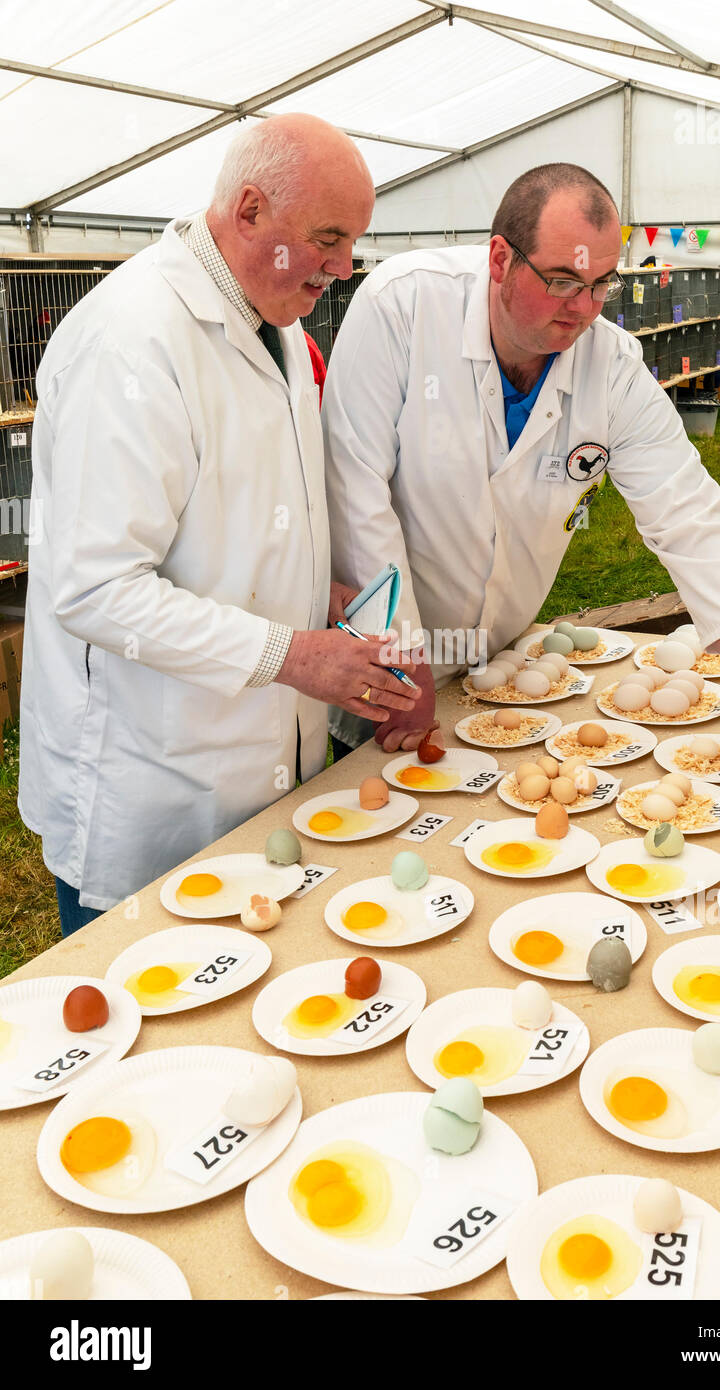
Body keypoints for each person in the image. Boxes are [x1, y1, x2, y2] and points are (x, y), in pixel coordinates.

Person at [323, 164, 720, 816]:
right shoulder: (402, 307)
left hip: (497, 657)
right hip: (381, 655)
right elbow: (355, 494)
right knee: (371, 812)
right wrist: (404, 664)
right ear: (499, 259)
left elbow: (695, 525)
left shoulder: (611, 366)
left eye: (603, 283)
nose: (585, 308)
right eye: (563, 281)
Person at [18, 114, 419, 935]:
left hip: (266, 771)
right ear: (248, 213)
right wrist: (293, 653)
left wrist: (326, 594)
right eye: (329, 238)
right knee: (150, 1032)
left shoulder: (275, 322)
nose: (345, 268)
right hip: (157, 785)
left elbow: (255, 518)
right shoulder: (132, 342)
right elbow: (96, 589)